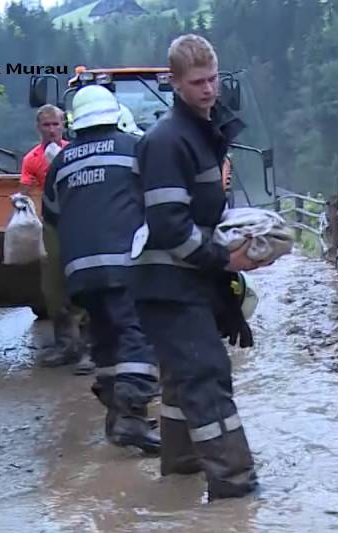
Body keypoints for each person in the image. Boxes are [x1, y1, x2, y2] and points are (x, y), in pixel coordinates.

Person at [129, 33, 260, 499]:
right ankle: (236, 488)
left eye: (213, 79)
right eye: (197, 82)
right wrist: (225, 258)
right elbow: (169, 225)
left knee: (185, 380)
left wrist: (226, 277)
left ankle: (182, 472)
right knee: (206, 374)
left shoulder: (203, 135)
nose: (209, 90)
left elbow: (206, 216)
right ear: (175, 83)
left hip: (187, 280)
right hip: (167, 284)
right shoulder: (167, 141)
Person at [40, 85, 161, 453]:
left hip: (80, 272)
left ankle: (117, 418)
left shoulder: (61, 161)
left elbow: (52, 218)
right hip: (127, 264)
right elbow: (158, 199)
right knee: (140, 334)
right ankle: (130, 414)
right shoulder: (134, 147)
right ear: (114, 112)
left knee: (106, 338)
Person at [20, 104, 94, 373]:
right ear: (39, 127)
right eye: (46, 125)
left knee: (84, 281)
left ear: (65, 126)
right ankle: (66, 345)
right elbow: (25, 191)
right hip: (50, 223)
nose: (51, 130)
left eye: (56, 125)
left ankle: (89, 348)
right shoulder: (32, 159)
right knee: (52, 287)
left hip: (81, 221)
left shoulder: (75, 152)